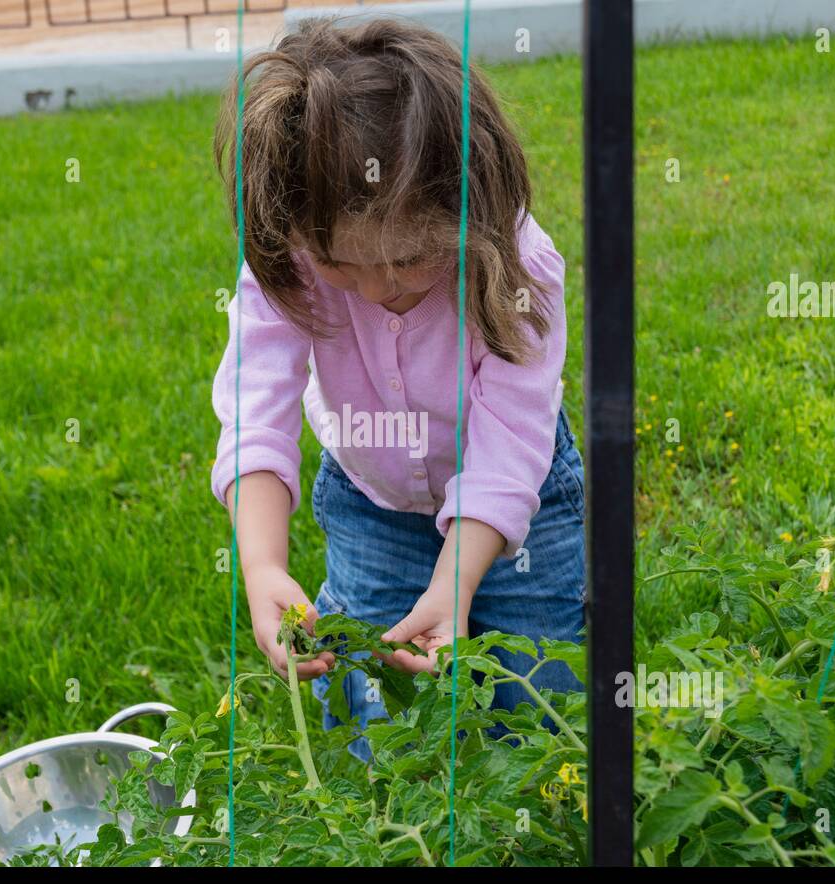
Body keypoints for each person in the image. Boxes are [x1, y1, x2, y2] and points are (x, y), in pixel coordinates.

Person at [209, 17, 585, 760]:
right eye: (346, 264)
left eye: (411, 257)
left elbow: (511, 445)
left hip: (521, 512)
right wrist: (261, 565)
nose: (379, 288)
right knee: (377, 717)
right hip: (371, 507)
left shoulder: (515, 265)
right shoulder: (290, 261)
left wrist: (457, 580)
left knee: (539, 701)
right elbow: (259, 412)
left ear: (469, 206)